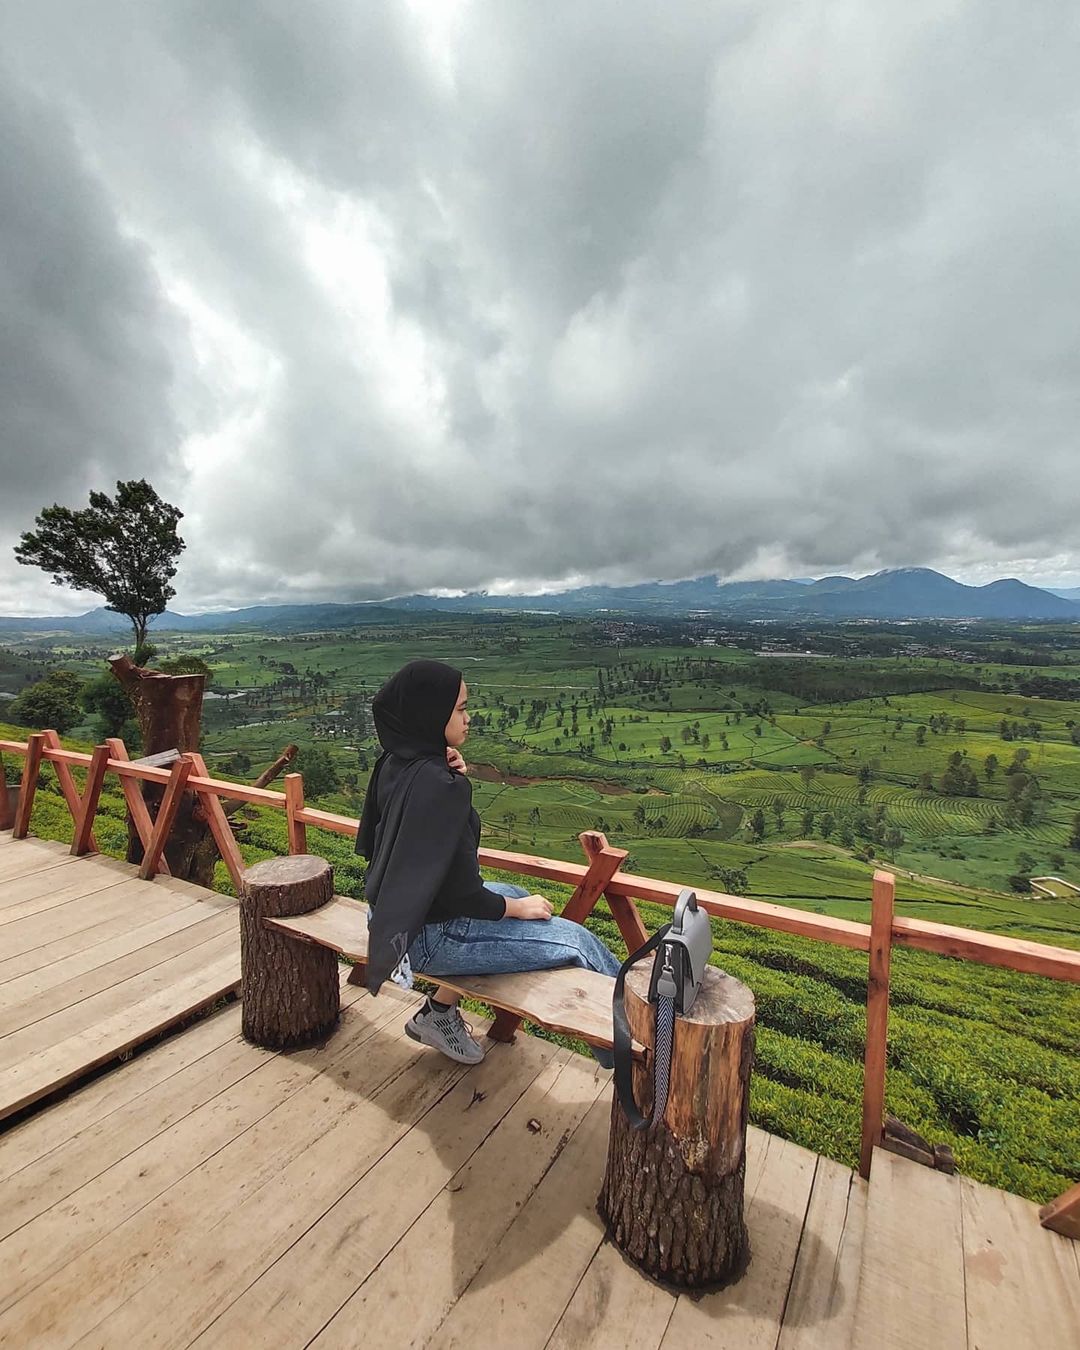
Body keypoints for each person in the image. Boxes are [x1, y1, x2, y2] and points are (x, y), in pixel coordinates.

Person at [356, 659, 621, 1065]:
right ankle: (633, 1061)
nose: (468, 717)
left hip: (390, 916)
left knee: (514, 895)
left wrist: (451, 781)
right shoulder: (440, 785)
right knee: (579, 944)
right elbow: (463, 893)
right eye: (460, 708)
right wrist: (514, 910)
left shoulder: (396, 761)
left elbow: (377, 840)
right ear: (431, 714)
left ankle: (438, 1014)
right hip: (428, 939)